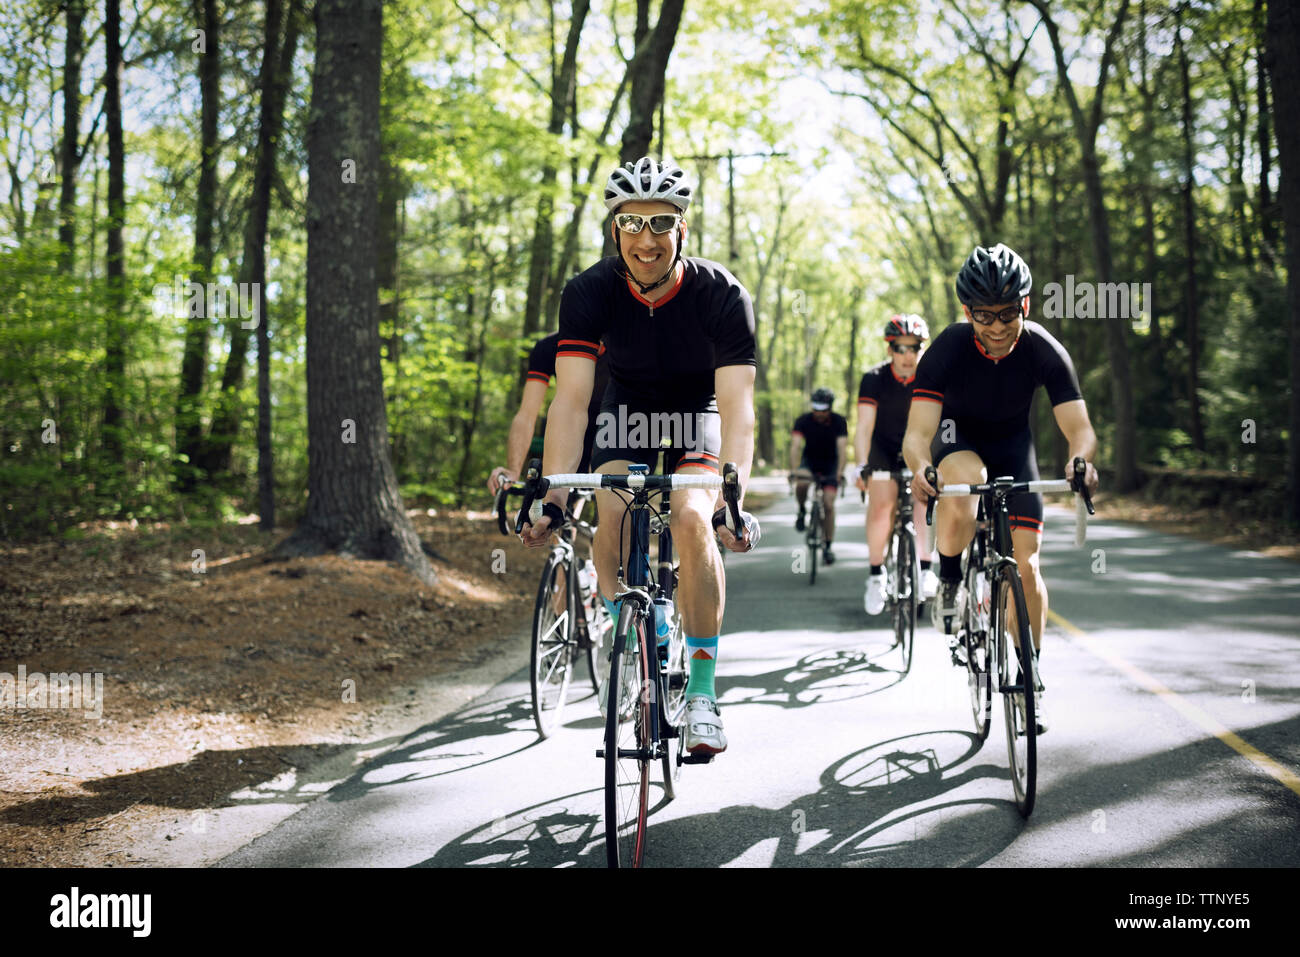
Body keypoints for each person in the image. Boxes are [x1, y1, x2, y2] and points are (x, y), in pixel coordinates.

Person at [518, 156, 760, 757]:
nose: (645, 239)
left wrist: (732, 499)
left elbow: (738, 409)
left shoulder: (722, 294)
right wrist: (551, 495)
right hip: (623, 410)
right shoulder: (588, 292)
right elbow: (572, 403)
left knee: (691, 514)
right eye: (631, 224)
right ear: (614, 229)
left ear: (684, 228)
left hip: (695, 413)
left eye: (660, 222)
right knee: (614, 501)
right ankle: (630, 624)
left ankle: (701, 695)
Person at [903, 244, 1099, 733]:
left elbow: (1082, 430)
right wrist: (923, 467)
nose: (996, 326)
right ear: (967, 312)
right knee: (965, 484)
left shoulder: (1042, 348)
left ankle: (1028, 672)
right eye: (984, 315)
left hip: (1013, 445)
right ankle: (949, 578)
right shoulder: (947, 348)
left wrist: (1080, 462)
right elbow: (916, 434)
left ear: (1025, 307)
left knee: (1027, 563)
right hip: (959, 439)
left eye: (1008, 313)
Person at [854, 314, 937, 614]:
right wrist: (861, 464)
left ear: (922, 349)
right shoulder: (874, 379)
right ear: (890, 350)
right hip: (883, 449)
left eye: (914, 348)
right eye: (900, 348)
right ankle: (876, 575)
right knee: (882, 507)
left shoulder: (931, 377)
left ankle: (926, 568)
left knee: (923, 502)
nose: (907, 355)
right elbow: (864, 427)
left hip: (921, 447)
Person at [487, 333, 609, 496]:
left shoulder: (624, 344)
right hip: (574, 421)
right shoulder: (549, 347)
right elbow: (527, 414)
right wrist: (513, 470)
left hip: (617, 418)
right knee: (556, 496)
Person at [789, 387, 847, 566]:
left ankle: (828, 546)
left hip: (830, 464)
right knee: (802, 483)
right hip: (810, 463)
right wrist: (793, 471)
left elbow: (842, 449)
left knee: (828, 504)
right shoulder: (803, 421)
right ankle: (801, 510)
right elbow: (795, 447)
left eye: (823, 409)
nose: (819, 413)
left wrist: (839, 473)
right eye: (816, 408)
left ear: (830, 408)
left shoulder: (839, 422)